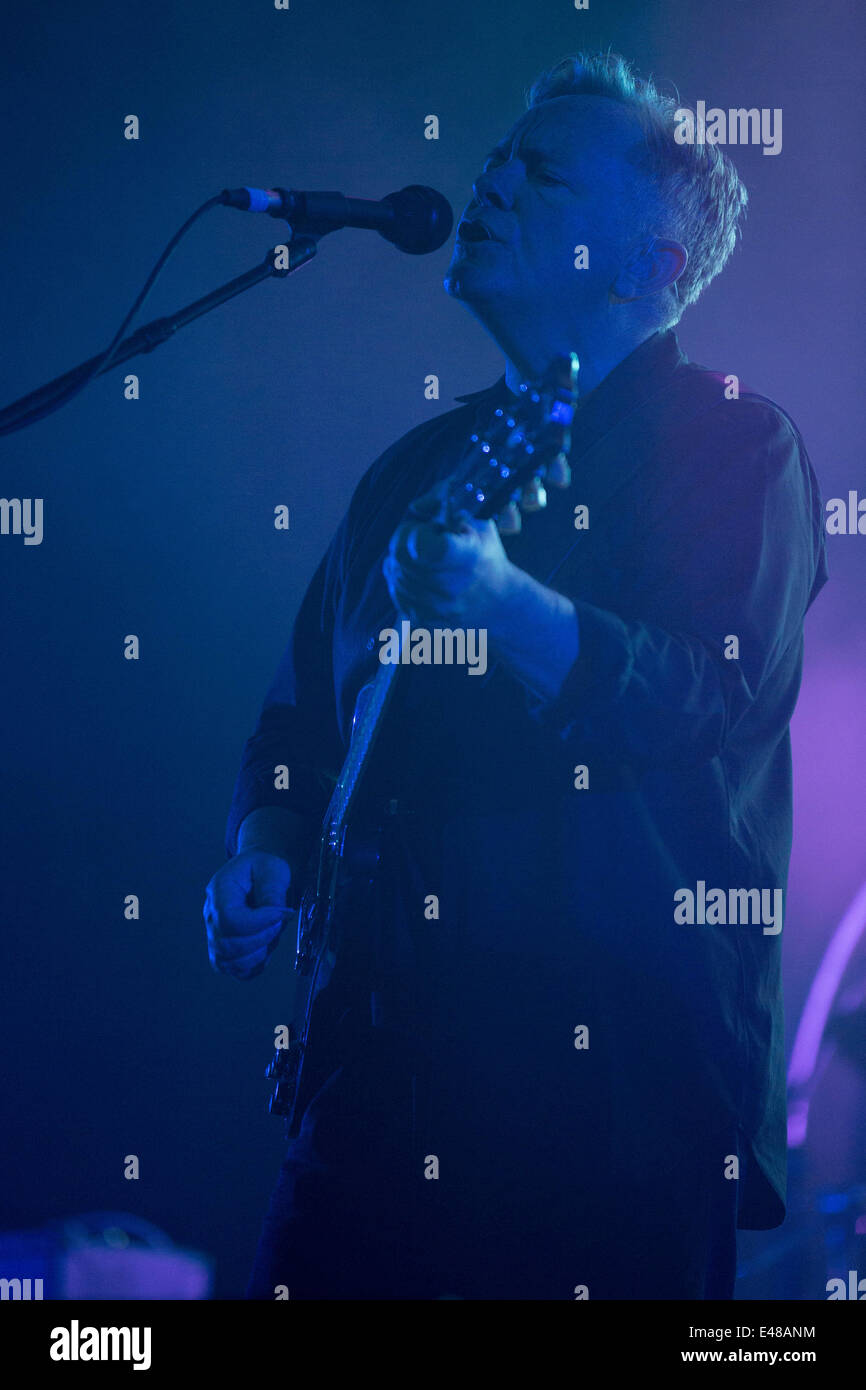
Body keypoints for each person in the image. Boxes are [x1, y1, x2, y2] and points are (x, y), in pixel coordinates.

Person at [203, 51, 827, 1299]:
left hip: (605, 1105)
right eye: (497, 158)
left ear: (651, 265)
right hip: (365, 1094)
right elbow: (297, 717)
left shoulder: (733, 443)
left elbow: (700, 698)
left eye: (538, 173)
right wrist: (264, 844)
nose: (488, 182)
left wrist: (502, 608)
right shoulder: (409, 468)